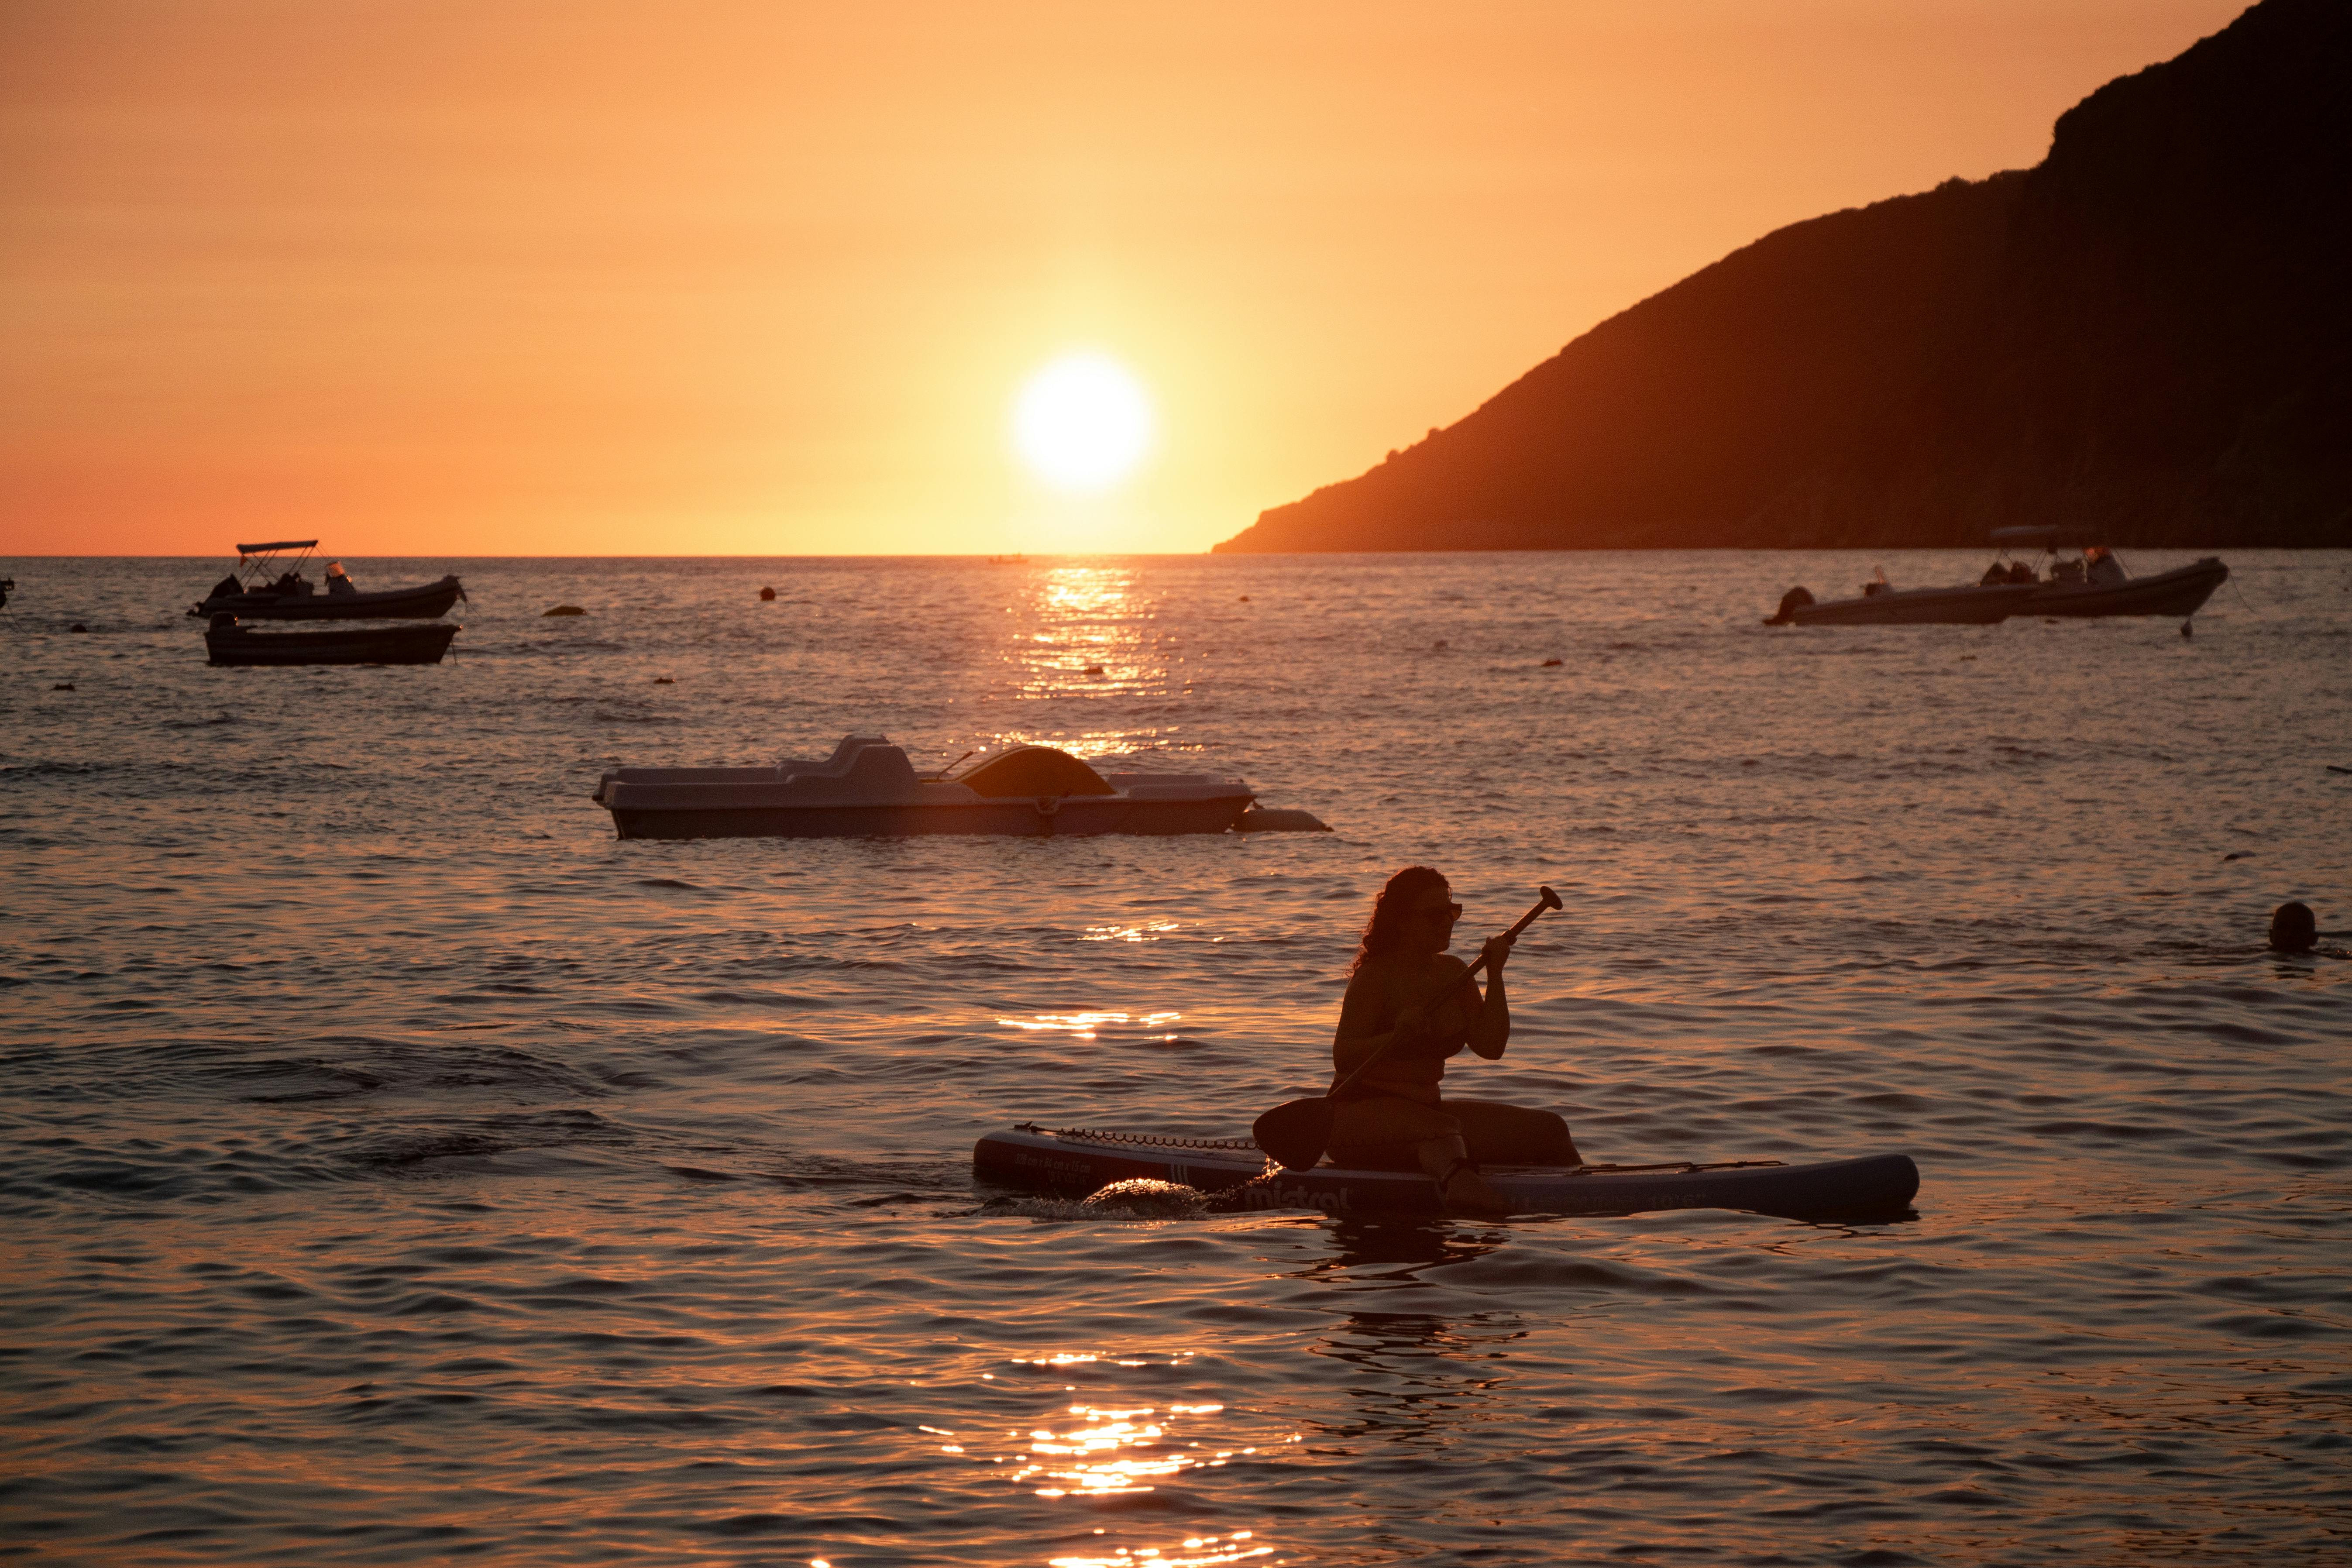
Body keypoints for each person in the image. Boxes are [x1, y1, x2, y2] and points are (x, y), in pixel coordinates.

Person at [1327, 866, 1581, 1217]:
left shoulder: (1454, 973)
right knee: (1443, 1131)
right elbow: (1343, 1056)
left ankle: (1588, 1189)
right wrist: (1393, 1037)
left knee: (1552, 1130)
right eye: (1434, 916)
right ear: (1402, 922)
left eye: (1452, 912)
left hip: (1428, 1114)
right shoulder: (1375, 978)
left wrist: (1495, 973)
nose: (1447, 921)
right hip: (1357, 1116)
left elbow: (1491, 1048)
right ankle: (1464, 1191)